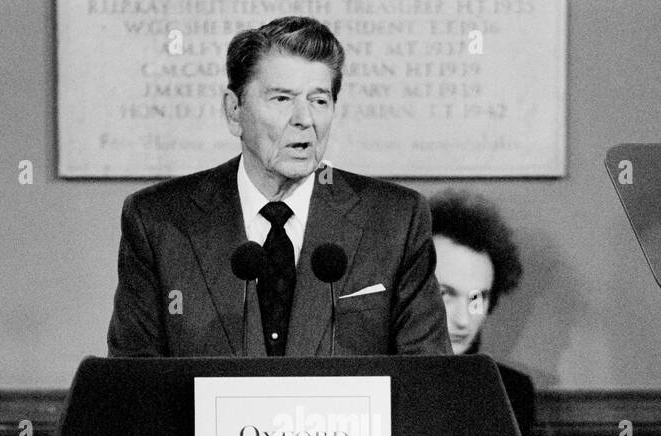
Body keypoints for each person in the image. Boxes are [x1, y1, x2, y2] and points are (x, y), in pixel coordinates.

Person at [106, 16, 450, 358]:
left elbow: (428, 382)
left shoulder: (394, 221)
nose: (305, 119)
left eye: (319, 100)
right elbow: (135, 385)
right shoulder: (158, 222)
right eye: (282, 99)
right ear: (234, 111)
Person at [429, 190, 533, 436]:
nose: (463, 319)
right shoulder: (367, 382)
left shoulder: (509, 393)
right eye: (445, 294)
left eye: (477, 298)